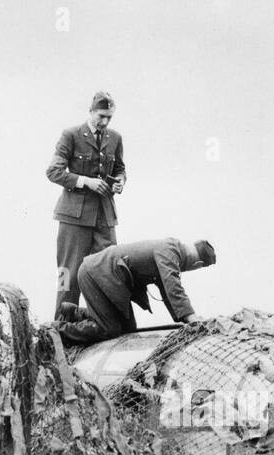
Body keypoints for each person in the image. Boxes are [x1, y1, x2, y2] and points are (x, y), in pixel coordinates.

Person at [47, 91, 126, 319]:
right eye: (101, 116)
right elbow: (53, 171)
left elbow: (120, 168)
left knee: (111, 270)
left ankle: (109, 324)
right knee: (67, 273)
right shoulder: (71, 135)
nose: (105, 122)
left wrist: (120, 181)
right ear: (90, 112)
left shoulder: (115, 138)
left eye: (109, 117)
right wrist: (85, 182)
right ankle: (62, 326)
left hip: (105, 217)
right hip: (74, 218)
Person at [54, 238, 215, 345]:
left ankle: (74, 313)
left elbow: (167, 292)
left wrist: (186, 319)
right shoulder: (171, 250)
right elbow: (173, 286)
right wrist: (192, 317)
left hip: (106, 278)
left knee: (128, 329)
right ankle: (58, 330)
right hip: (95, 274)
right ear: (198, 264)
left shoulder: (171, 250)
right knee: (109, 330)